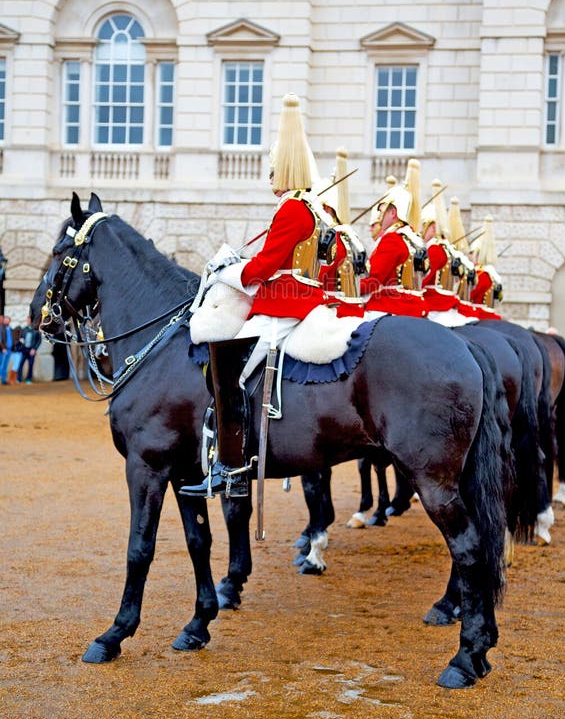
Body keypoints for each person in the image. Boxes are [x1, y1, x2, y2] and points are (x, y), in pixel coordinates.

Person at [181, 93, 329, 498]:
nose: (269, 179)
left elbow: (265, 269)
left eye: (272, 171)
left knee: (232, 370)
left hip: (282, 303)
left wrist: (228, 271)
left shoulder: (292, 209)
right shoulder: (312, 210)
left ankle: (230, 466)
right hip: (302, 299)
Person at [360, 159, 429, 318]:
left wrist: (344, 285)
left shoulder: (392, 239)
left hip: (391, 306)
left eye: (381, 210)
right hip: (417, 307)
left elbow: (374, 282)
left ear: (393, 212)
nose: (379, 216)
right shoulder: (414, 240)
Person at [318, 148, 367, 317]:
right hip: (354, 308)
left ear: (325, 208)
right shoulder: (351, 238)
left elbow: (317, 279)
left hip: (336, 311)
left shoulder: (333, 238)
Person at [18, 316, 42, 384]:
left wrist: (34, 349)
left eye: (29, 320)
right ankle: (19, 379)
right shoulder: (24, 329)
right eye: (27, 320)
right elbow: (21, 338)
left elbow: (39, 341)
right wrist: (21, 341)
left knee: (30, 365)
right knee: (20, 364)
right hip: (24, 350)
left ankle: (28, 379)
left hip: (32, 350)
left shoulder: (36, 330)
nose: (28, 321)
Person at [0, 315, 13, 385]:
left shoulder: (10, 329)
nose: (6, 321)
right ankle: (2, 379)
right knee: (1, 365)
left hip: (9, 349)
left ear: (9, 321)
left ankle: (4, 380)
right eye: (5, 320)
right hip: (3, 350)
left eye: (7, 320)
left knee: (5, 365)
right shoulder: (1, 328)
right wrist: (3, 348)